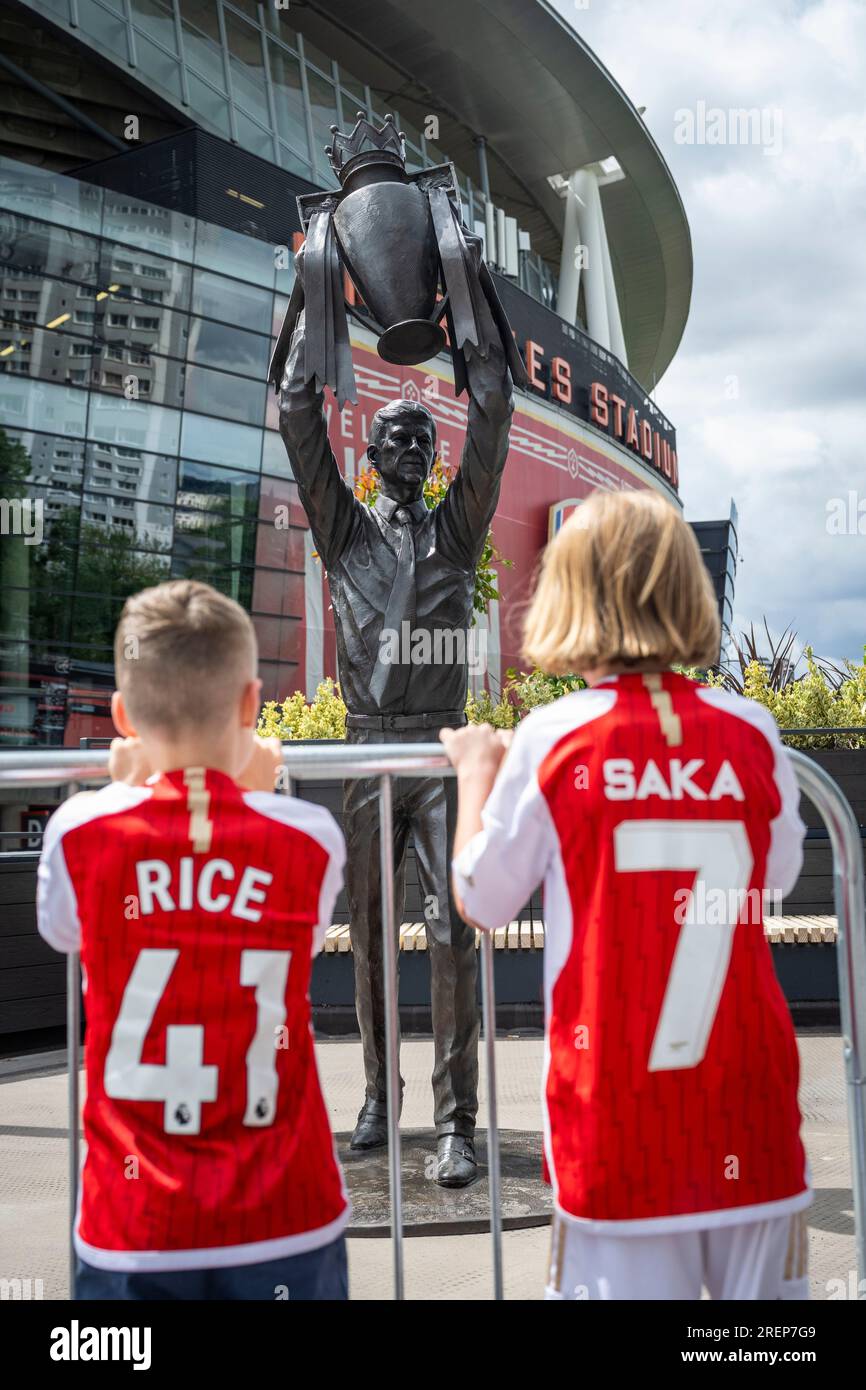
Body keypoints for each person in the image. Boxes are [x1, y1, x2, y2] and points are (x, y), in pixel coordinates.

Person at [441, 489, 811, 1301]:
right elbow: (777, 877)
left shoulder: (557, 735)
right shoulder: (750, 729)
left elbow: (482, 897)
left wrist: (476, 770)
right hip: (750, 1111)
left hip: (618, 1118)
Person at [37, 580, 349, 1300]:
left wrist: (124, 794)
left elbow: (64, 932)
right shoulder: (309, 837)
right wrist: (260, 795)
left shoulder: (81, 832)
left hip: (134, 1223)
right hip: (285, 1215)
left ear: (121, 717)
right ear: (251, 705)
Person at [278, 272, 515, 1186]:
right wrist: (314, 283)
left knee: (453, 935)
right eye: (397, 439)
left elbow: (492, 405)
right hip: (369, 750)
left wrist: (465, 284)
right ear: (372, 457)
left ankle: (458, 1120)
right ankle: (380, 1096)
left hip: (442, 749)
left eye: (426, 437)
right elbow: (297, 406)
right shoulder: (341, 531)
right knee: (370, 933)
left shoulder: (459, 533)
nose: (414, 447)